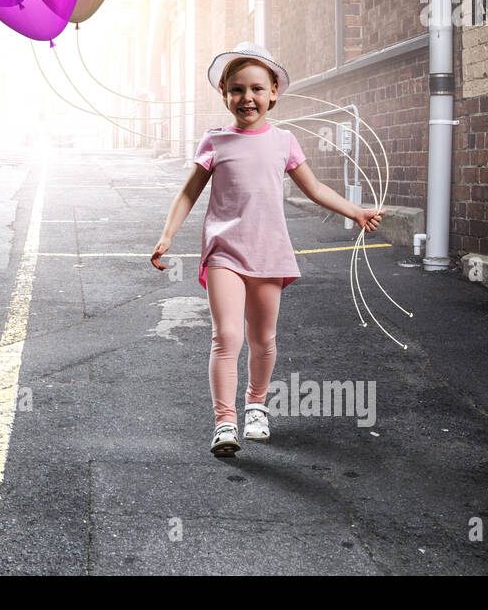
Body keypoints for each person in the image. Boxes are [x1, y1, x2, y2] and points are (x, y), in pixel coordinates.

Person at [150, 42, 384, 458]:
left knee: (264, 338)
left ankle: (255, 405)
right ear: (224, 93)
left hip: (269, 252)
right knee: (227, 337)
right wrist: (168, 234)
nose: (247, 98)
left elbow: (314, 189)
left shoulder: (284, 142)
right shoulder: (215, 141)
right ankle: (225, 422)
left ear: (274, 91)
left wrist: (356, 211)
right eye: (237, 90)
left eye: (257, 89)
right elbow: (188, 193)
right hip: (224, 252)